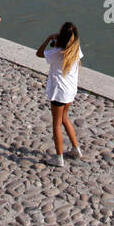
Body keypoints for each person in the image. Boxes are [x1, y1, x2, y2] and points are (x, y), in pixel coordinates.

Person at [36, 22, 83, 167]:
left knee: (56, 124)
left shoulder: (56, 53)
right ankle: (76, 149)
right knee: (64, 118)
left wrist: (49, 38)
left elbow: (39, 53)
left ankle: (59, 157)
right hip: (70, 90)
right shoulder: (76, 49)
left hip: (59, 91)